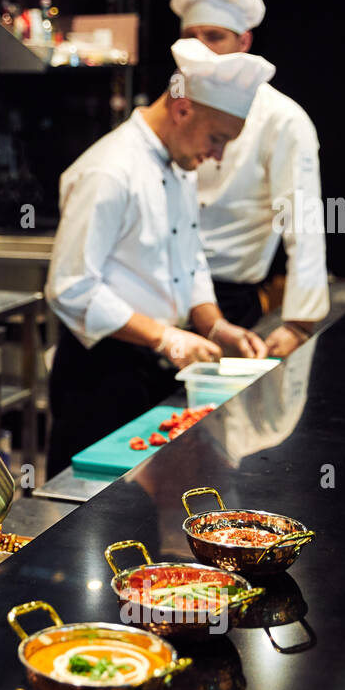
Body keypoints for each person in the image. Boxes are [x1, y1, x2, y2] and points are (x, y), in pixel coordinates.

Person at [45, 39, 274, 476]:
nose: (218, 156)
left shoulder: (180, 161)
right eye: (217, 139)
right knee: (84, 517)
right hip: (101, 376)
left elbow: (189, 256)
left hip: (153, 369)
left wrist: (213, 324)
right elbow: (70, 288)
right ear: (183, 108)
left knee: (141, 515)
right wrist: (165, 337)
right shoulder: (110, 170)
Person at [170, 0, 330, 355]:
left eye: (214, 36)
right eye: (190, 37)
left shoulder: (283, 119)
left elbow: (302, 221)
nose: (200, 49)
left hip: (229, 299)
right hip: (162, 293)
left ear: (244, 43)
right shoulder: (174, 107)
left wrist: (299, 323)